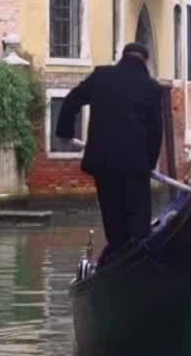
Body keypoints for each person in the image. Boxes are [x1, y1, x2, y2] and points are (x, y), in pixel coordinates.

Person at [55, 42, 164, 261]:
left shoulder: (101, 76)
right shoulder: (150, 87)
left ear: (122, 57)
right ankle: (136, 260)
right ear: (145, 61)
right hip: (135, 165)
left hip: (102, 162)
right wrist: (149, 163)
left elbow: (71, 101)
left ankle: (118, 255)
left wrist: (64, 132)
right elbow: (156, 131)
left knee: (113, 219)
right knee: (138, 223)